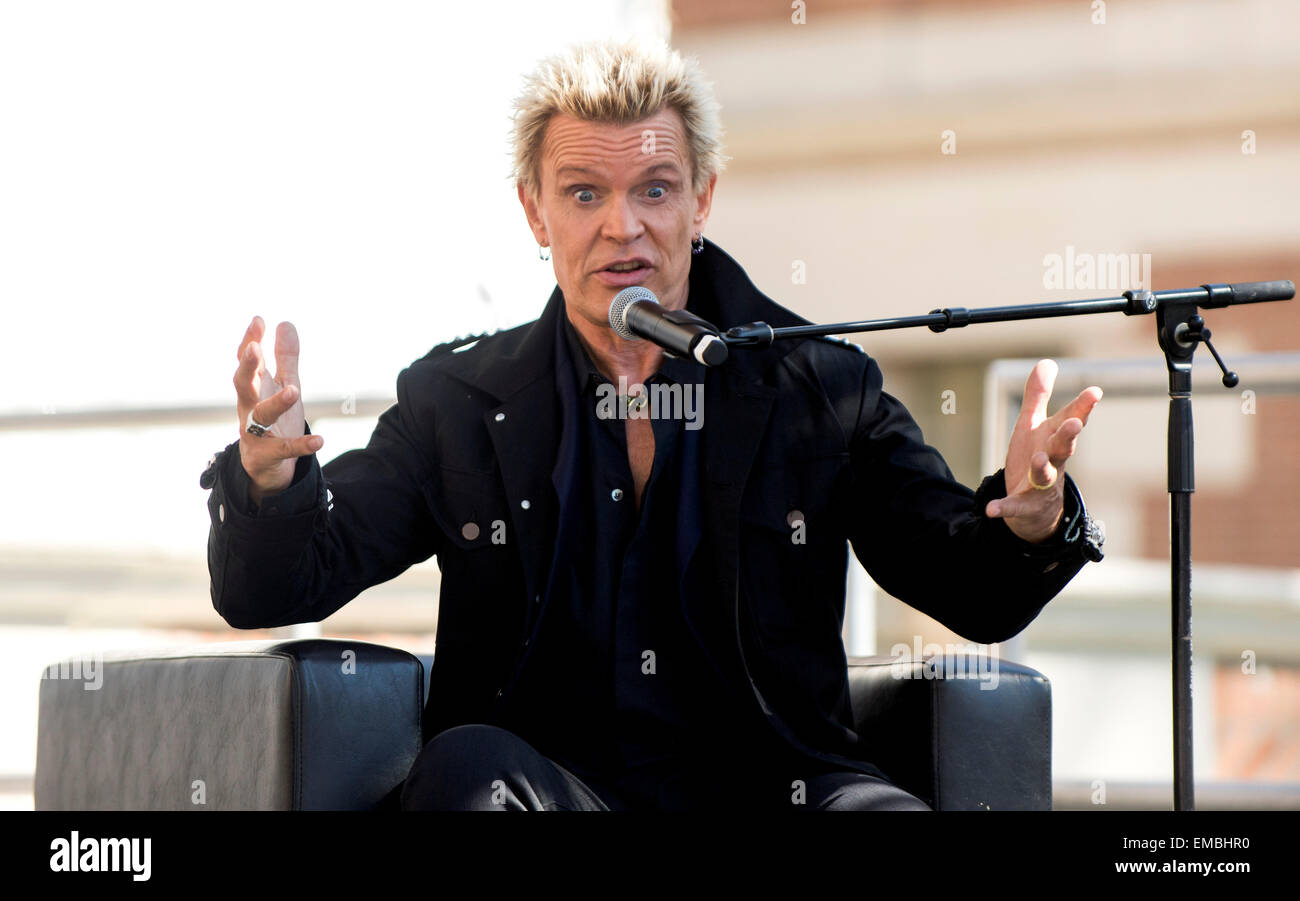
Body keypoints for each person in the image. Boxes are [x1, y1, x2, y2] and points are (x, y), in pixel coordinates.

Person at [200, 38, 1104, 811]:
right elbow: (280, 585)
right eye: (585, 193)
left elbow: (964, 580)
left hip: (778, 783)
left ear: (701, 201)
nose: (621, 227)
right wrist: (272, 482)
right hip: (557, 787)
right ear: (535, 211)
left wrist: (1030, 515)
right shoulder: (458, 401)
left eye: (655, 190)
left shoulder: (818, 384)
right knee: (465, 771)